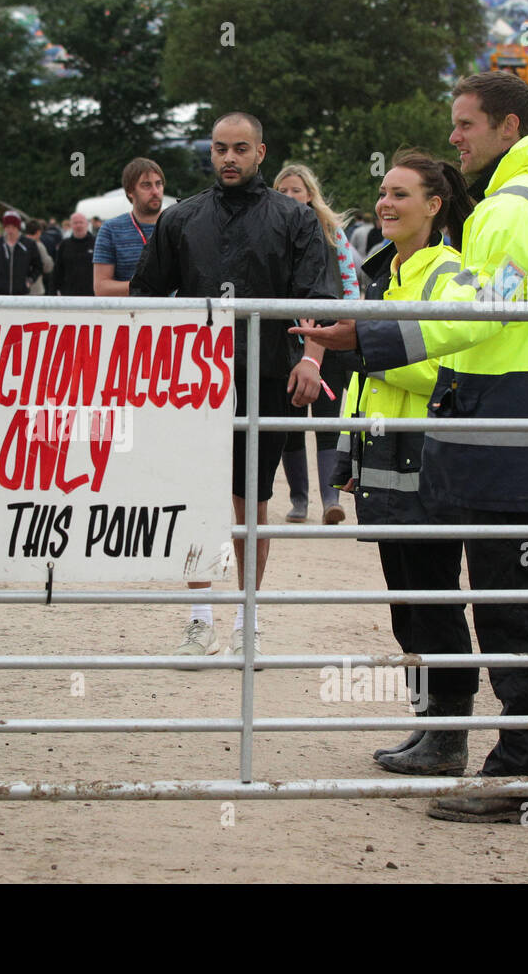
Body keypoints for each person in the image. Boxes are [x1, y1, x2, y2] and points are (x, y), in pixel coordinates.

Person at [298, 71, 528, 823]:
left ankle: (516, 772)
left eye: (465, 125)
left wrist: (369, 338)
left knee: (515, 610)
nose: (455, 138)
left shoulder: (516, 205)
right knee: (509, 605)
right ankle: (506, 762)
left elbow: (478, 314)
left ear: (506, 126)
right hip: (516, 425)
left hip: (512, 430)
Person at [131, 112, 338, 660]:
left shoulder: (295, 218)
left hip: (269, 376)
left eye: (240, 148)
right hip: (193, 383)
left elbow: (319, 301)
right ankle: (200, 620)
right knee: (197, 500)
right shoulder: (181, 218)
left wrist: (312, 361)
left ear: (261, 153)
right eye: (220, 148)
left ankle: (248, 619)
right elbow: (144, 299)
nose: (229, 158)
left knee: (254, 504)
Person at [333, 150, 475, 777]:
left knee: (436, 598)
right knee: (406, 601)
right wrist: (345, 449)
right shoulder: (381, 274)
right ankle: (427, 726)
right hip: (380, 457)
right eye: (383, 193)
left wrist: (372, 349)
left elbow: (448, 369)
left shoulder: (453, 275)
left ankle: (450, 735)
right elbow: (360, 377)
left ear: (434, 206)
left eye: (400, 194)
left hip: (428, 462)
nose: (385, 204)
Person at [273, 163, 360, 526]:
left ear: (310, 194)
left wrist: (351, 320)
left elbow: (349, 279)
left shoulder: (332, 233)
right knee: (291, 424)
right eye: (284, 191)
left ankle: (330, 500)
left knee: (328, 419)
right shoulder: (272, 232)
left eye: (297, 190)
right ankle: (298, 500)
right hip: (287, 338)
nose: (291, 197)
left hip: (329, 332)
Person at [93, 158, 164, 298]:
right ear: (130, 191)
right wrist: (144, 286)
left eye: (159, 184)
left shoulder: (178, 225)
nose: (155, 191)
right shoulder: (111, 229)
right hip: (129, 317)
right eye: (146, 185)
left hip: (174, 317)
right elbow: (101, 288)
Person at [0, 210, 42, 295]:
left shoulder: (29, 244)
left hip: (22, 293)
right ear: (4, 227)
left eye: (13, 227)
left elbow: (38, 266)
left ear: (18, 228)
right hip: (1, 293)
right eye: (7, 227)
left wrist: (30, 281)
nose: (10, 231)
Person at [53, 211, 96, 296]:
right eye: (75, 223)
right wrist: (53, 291)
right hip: (69, 294)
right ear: (71, 225)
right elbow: (57, 270)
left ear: (87, 224)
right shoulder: (64, 245)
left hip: (92, 294)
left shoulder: (97, 243)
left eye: (81, 222)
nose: (78, 225)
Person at [23, 219, 54, 295]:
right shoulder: (38, 246)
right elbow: (48, 266)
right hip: (35, 288)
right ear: (38, 232)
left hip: (19, 288)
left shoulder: (19, 243)